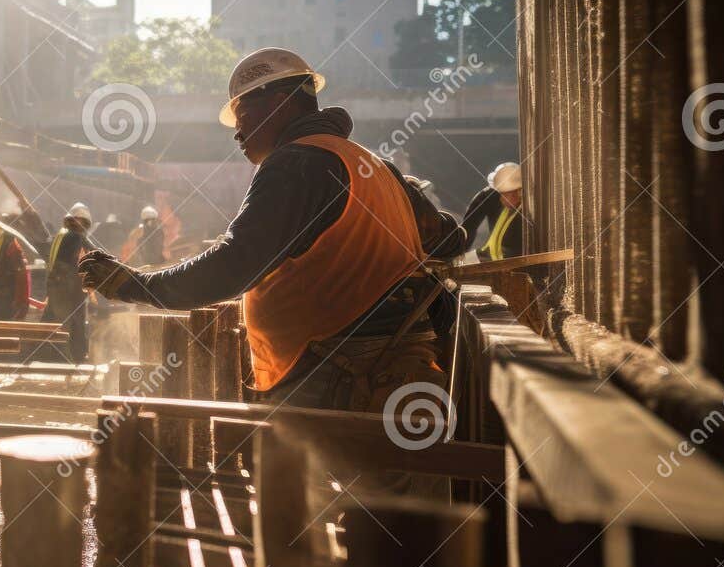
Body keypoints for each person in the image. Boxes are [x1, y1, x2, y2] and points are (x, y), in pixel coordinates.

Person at [80, 47, 465, 413]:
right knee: (391, 480)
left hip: (337, 372)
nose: (237, 132)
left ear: (279, 103)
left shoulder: (296, 163)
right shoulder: (374, 165)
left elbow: (233, 266)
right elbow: (447, 238)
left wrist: (134, 285)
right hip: (401, 360)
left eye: (243, 115)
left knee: (316, 480)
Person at [42, 202, 94, 362]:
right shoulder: (76, 237)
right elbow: (95, 253)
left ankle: (48, 357)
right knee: (73, 325)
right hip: (68, 290)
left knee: (52, 322)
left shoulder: (60, 235)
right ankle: (73, 359)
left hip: (55, 287)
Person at [461, 162, 524, 262]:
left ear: (519, 192)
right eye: (501, 194)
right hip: (489, 256)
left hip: (505, 262)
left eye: (507, 194)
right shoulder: (496, 200)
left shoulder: (524, 214)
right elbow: (469, 226)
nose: (501, 200)